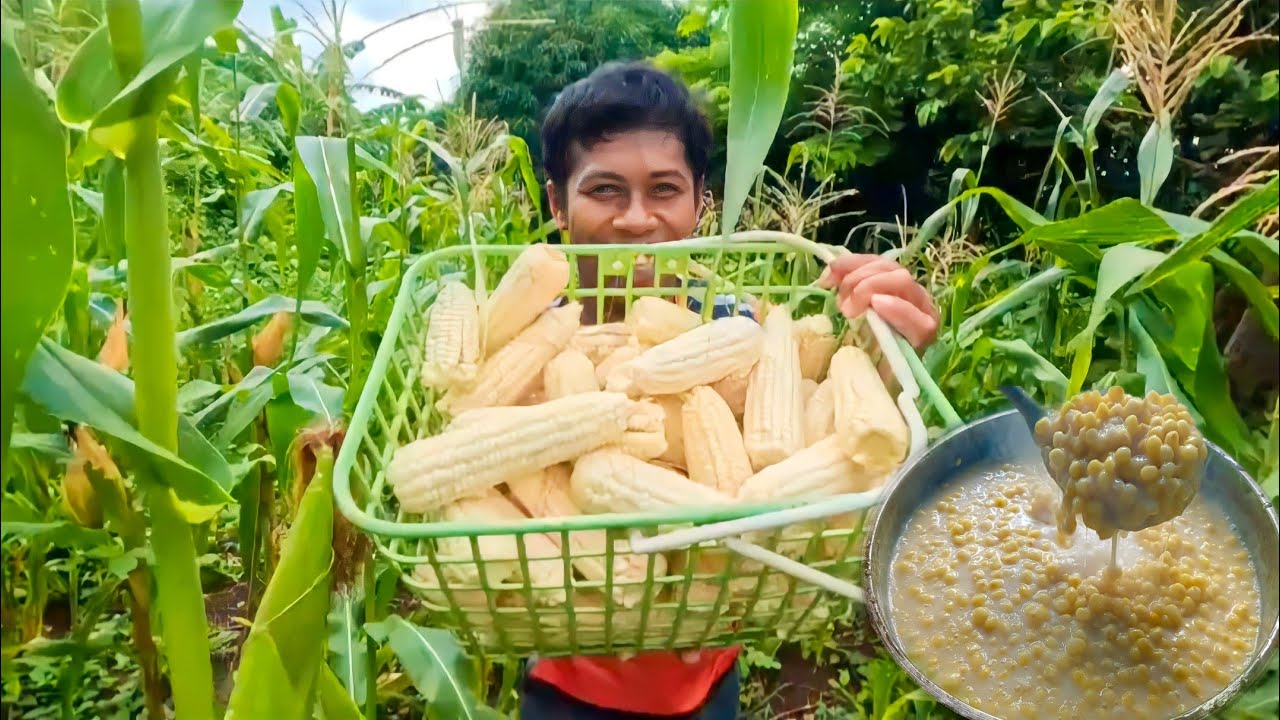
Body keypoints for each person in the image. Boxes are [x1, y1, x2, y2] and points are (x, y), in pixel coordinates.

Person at [520, 61, 939, 720]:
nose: (637, 220)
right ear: (556, 206)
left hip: (710, 682)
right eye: (605, 190)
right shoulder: (521, 343)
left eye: (664, 189)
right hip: (569, 690)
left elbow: (823, 424)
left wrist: (884, 356)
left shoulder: (741, 322)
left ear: (700, 204)